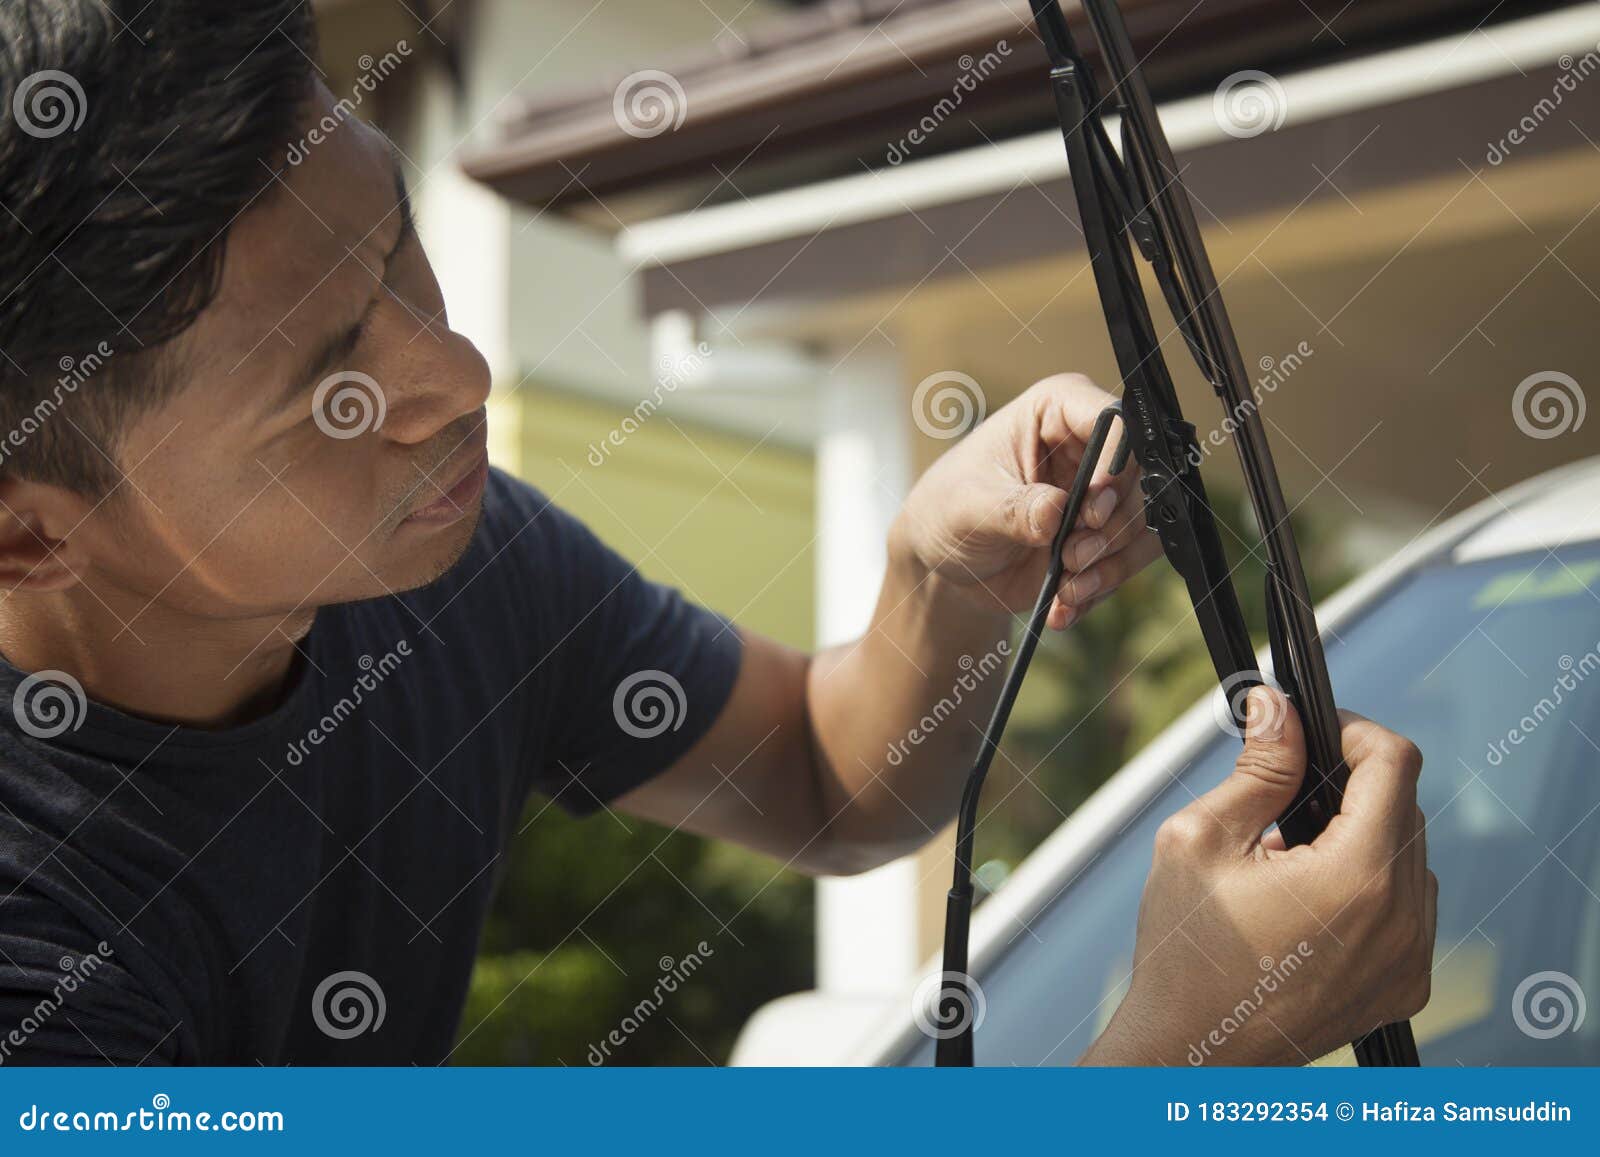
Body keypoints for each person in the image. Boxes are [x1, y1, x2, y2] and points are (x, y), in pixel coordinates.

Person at [0, 1, 1433, 1065]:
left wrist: (933, 581)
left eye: (397, 254)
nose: (456, 377)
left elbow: (820, 774)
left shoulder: (446, 573)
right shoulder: (37, 955)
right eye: (334, 386)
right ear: (29, 534)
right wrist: (1180, 1063)